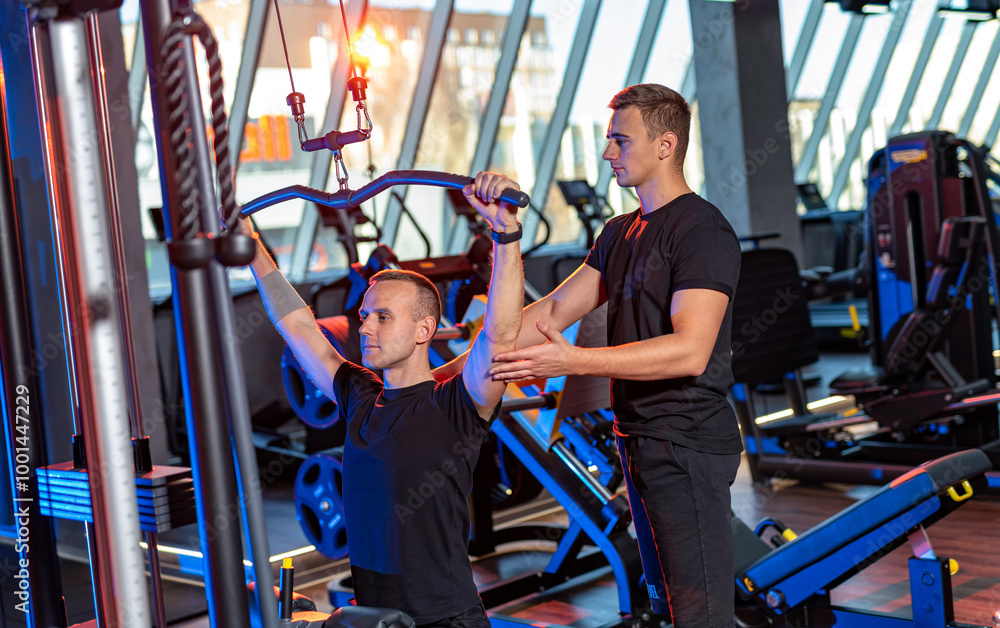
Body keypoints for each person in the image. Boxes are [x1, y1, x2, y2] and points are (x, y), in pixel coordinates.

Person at [436, 84, 742, 628]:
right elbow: (551, 312)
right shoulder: (620, 232)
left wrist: (573, 362)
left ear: (666, 145)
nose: (607, 153)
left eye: (621, 141)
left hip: (686, 445)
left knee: (701, 617)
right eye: (608, 140)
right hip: (638, 441)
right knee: (667, 607)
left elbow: (690, 352)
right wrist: (443, 373)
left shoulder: (702, 230)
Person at [241, 172, 525, 628]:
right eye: (365, 315)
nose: (366, 327)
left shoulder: (454, 405)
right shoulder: (359, 395)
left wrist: (505, 235)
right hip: (374, 618)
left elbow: (499, 335)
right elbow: (297, 326)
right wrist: (253, 248)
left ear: (424, 330)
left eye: (384, 317)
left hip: (445, 620)